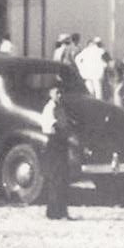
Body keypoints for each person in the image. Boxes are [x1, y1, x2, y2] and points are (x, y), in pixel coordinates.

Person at [40, 85, 72, 220]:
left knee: (62, 177)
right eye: (56, 92)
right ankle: (54, 211)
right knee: (56, 177)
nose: (59, 95)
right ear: (50, 93)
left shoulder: (61, 108)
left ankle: (61, 211)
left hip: (61, 142)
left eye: (61, 92)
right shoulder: (50, 108)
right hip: (54, 142)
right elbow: (54, 125)